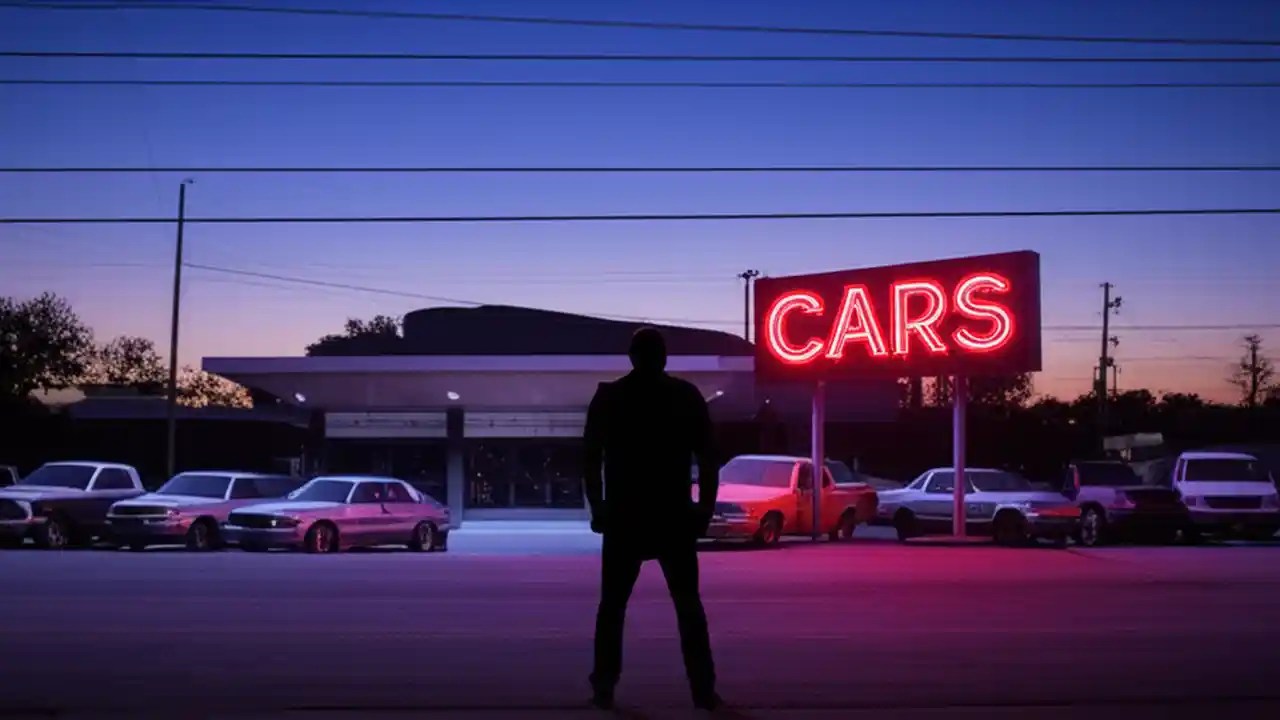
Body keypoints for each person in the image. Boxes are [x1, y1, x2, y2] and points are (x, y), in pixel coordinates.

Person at [583, 327, 721, 711]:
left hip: (626, 516)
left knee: (612, 607)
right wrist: (703, 510)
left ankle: (605, 686)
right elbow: (708, 459)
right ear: (664, 357)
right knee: (688, 606)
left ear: (632, 357)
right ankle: (703, 688)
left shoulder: (610, 398)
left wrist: (600, 507)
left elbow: (590, 459)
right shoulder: (685, 396)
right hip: (672, 515)